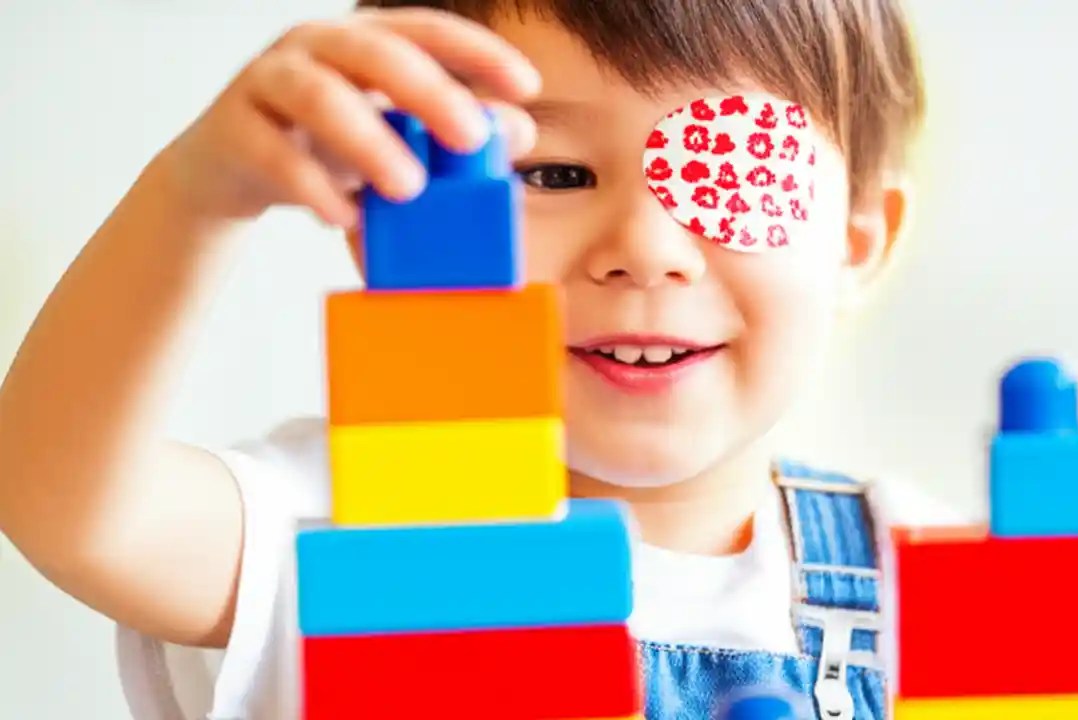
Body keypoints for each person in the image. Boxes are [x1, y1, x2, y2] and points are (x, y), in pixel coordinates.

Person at [0, 1, 956, 718]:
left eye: (734, 173)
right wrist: (195, 197)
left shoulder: (929, 573)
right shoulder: (333, 532)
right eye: (550, 174)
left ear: (858, 241)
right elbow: (69, 506)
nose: (646, 246)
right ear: (388, 219)